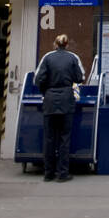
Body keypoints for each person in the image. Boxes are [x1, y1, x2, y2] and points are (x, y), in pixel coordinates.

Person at [34, 34, 84, 183]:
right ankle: (63, 173)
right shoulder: (73, 58)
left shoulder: (47, 57)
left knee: (49, 138)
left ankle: (48, 173)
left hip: (49, 100)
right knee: (64, 138)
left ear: (55, 44)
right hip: (66, 100)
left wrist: (46, 91)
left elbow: (38, 79)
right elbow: (79, 78)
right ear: (67, 44)